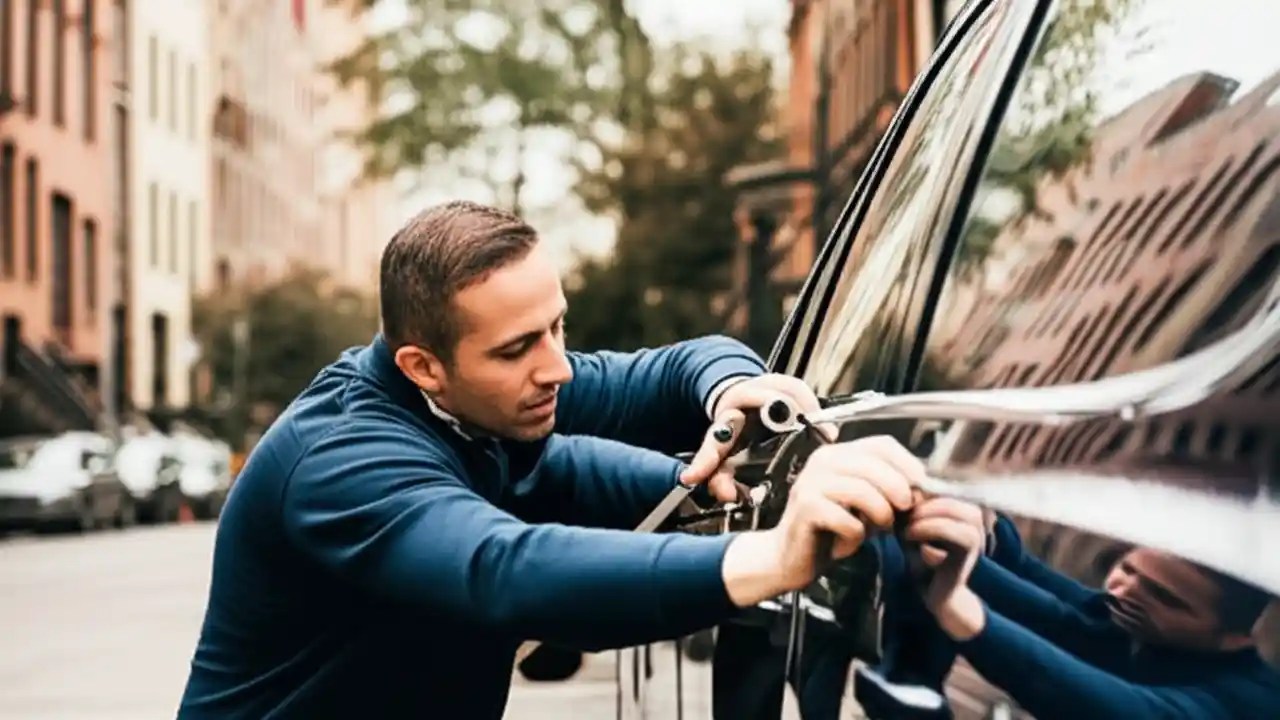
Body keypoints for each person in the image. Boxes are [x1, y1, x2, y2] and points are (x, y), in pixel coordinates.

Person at [176, 200, 928, 719]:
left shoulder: (497, 391)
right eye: (517, 348)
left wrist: (733, 388)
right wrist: (773, 556)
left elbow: (672, 371)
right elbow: (504, 569)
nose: (558, 369)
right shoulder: (342, 459)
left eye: (556, 329)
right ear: (422, 366)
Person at [888, 498, 1280, 719]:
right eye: (1126, 568)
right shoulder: (1147, 628)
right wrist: (983, 533)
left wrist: (959, 609)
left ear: (1237, 637)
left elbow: (1133, 714)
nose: (1123, 590)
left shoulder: (1252, 702)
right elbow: (1062, 612)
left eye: (1164, 597)